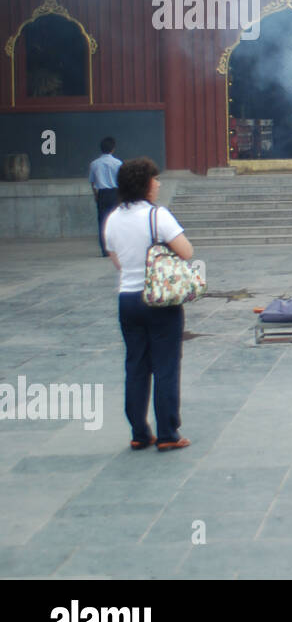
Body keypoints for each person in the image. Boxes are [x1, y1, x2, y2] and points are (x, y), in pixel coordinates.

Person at [103, 158, 194, 451]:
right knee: (166, 365)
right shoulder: (158, 216)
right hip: (159, 299)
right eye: (154, 179)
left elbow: (117, 261)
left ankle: (140, 432)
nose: (158, 184)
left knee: (136, 365)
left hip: (127, 299)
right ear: (144, 184)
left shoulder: (113, 219)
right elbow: (187, 251)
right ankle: (168, 433)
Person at [89, 136, 122, 257]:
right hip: (115, 193)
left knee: (102, 222)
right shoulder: (118, 163)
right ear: (113, 149)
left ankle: (105, 249)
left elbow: (92, 182)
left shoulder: (94, 164)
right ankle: (116, 248)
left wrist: (95, 195)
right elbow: (121, 180)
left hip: (102, 194)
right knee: (116, 221)